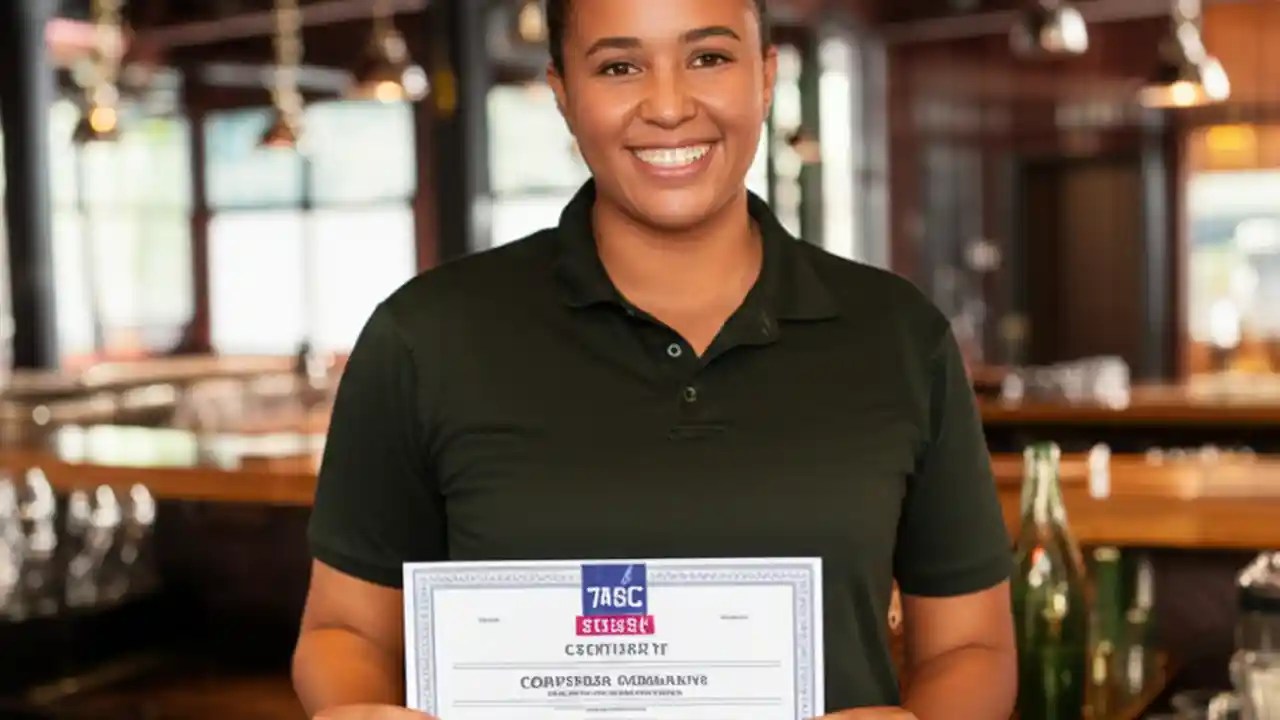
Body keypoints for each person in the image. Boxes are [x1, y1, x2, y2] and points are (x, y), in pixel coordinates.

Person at [291, 0, 1017, 718]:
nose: (668, 106)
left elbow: (972, 648)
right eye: (619, 66)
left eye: (709, 57)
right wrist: (358, 706)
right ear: (563, 95)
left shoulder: (896, 335)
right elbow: (344, 630)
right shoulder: (425, 336)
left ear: (765, 77)